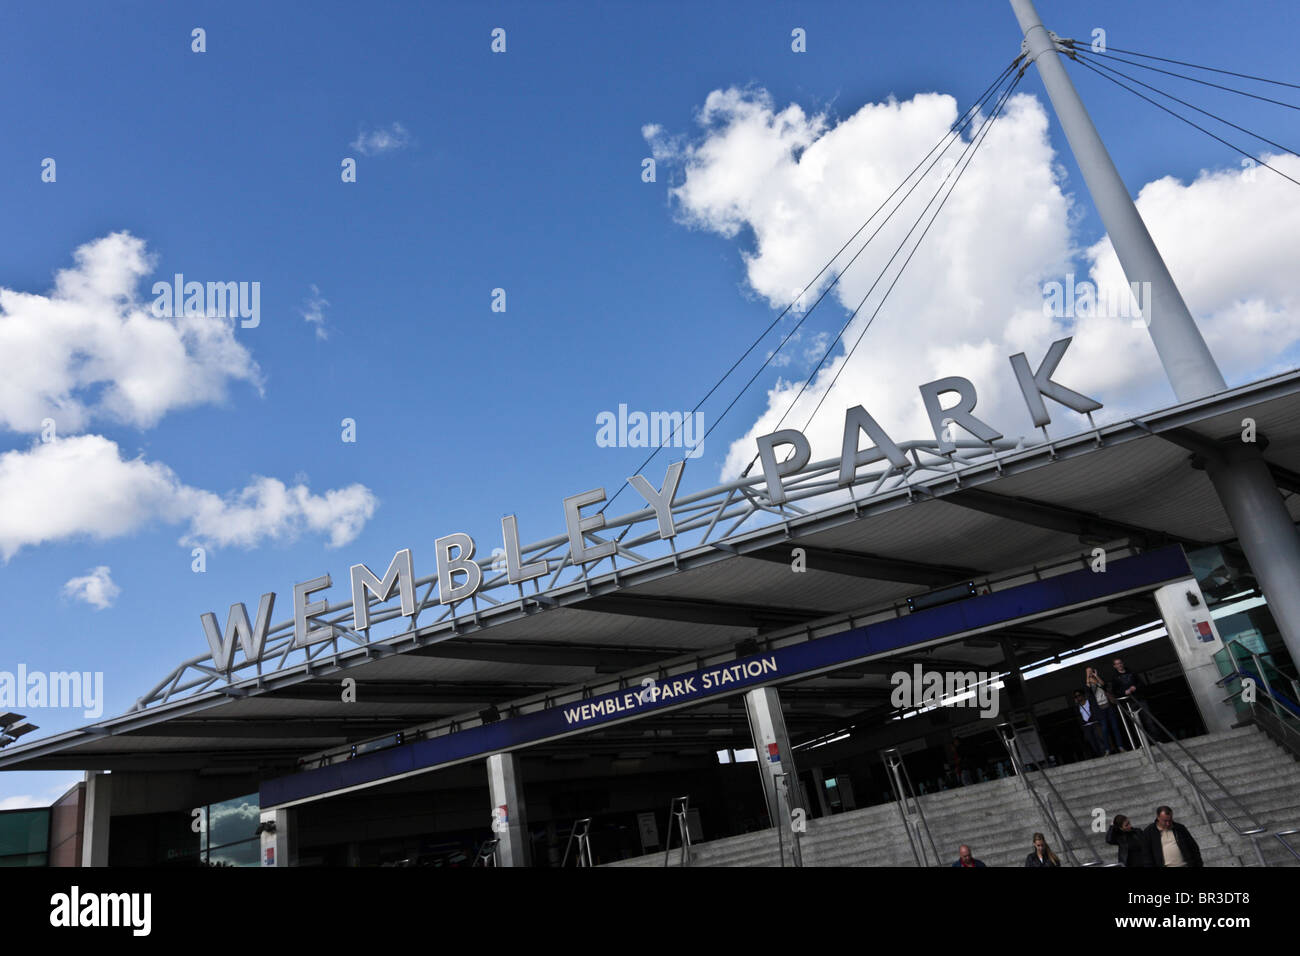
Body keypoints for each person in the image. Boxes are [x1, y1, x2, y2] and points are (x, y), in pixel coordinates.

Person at [1111, 658, 1168, 742]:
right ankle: (1142, 743)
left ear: (1122, 663)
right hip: (1128, 703)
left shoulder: (1132, 673)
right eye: (1117, 664)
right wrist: (1124, 692)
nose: (1119, 665)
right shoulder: (1115, 678)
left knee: (1149, 721)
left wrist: (1135, 687)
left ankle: (1158, 741)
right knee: (1136, 724)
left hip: (1140, 699)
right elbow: (1115, 692)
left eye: (1120, 663)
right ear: (1114, 666)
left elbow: (1141, 684)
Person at [1085, 666, 1125, 753]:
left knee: (1115, 727)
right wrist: (1088, 676)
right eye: (1088, 672)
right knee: (1104, 729)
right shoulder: (1089, 685)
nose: (1090, 672)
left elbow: (1104, 685)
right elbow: (1088, 690)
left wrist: (1096, 676)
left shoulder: (1099, 680)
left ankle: (1120, 746)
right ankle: (1107, 749)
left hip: (1108, 707)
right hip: (1100, 710)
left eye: (1091, 671)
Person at [1073, 690, 1105, 757]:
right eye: (1076, 696)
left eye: (1079, 695)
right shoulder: (1077, 707)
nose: (1078, 697)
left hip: (1094, 723)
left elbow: (1095, 711)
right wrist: (1076, 705)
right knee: (1091, 741)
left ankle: (1104, 752)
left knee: (1098, 738)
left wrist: (1092, 718)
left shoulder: (1089, 702)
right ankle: (1099, 754)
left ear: (1083, 695)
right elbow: (1078, 717)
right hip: (1086, 726)